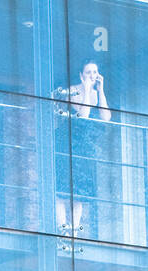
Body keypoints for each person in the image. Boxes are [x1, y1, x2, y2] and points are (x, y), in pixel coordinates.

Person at [57, 61, 112, 235]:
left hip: (84, 147)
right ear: (81, 75)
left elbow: (106, 117)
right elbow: (84, 115)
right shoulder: (73, 91)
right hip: (68, 145)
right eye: (88, 72)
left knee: (78, 193)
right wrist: (87, 90)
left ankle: (73, 231)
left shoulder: (97, 93)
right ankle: (62, 228)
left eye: (95, 72)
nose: (92, 75)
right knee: (61, 191)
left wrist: (100, 91)